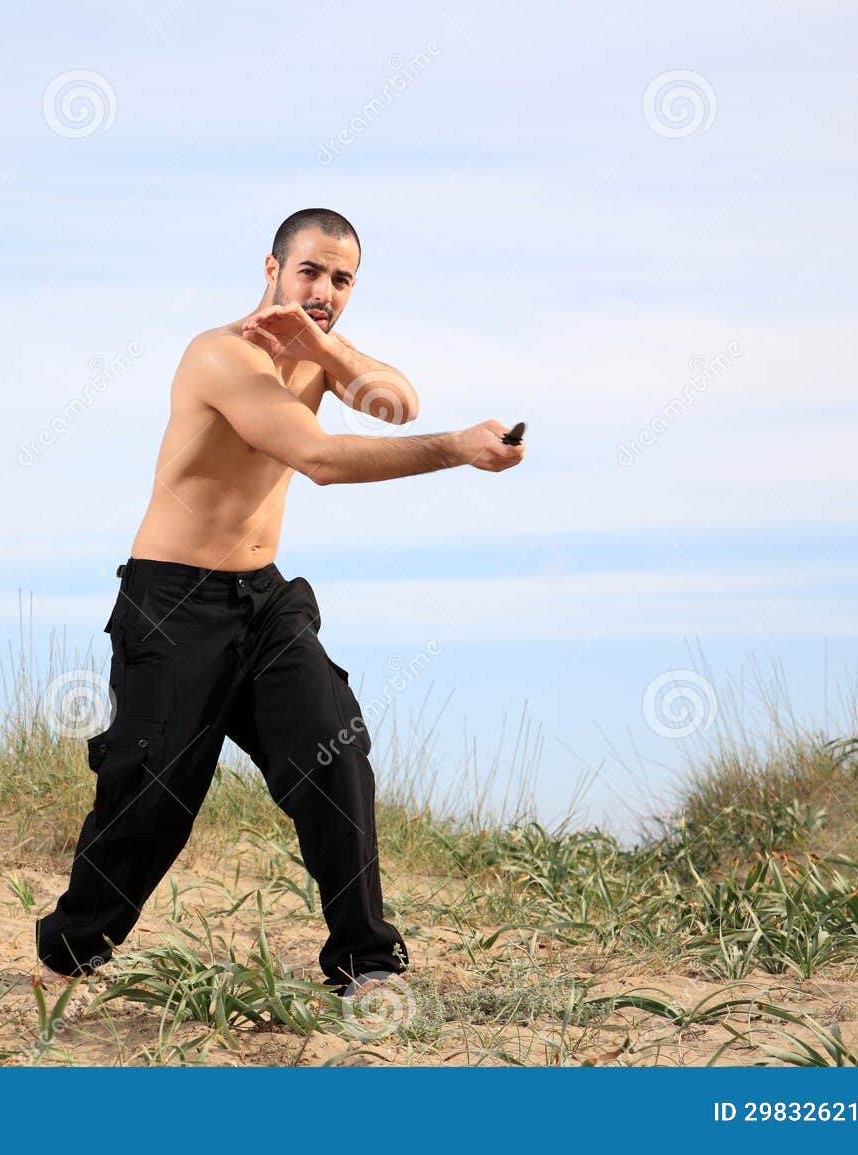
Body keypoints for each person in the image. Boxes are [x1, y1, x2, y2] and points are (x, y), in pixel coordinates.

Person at [34, 207, 526, 1004]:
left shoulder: (319, 354)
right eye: (310, 272)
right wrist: (456, 450)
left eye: (341, 279)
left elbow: (397, 401)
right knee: (151, 799)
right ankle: (69, 953)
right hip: (173, 602)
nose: (325, 290)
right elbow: (321, 459)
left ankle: (365, 962)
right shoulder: (221, 354)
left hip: (264, 602)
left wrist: (328, 348)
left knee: (336, 747)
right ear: (271, 269)